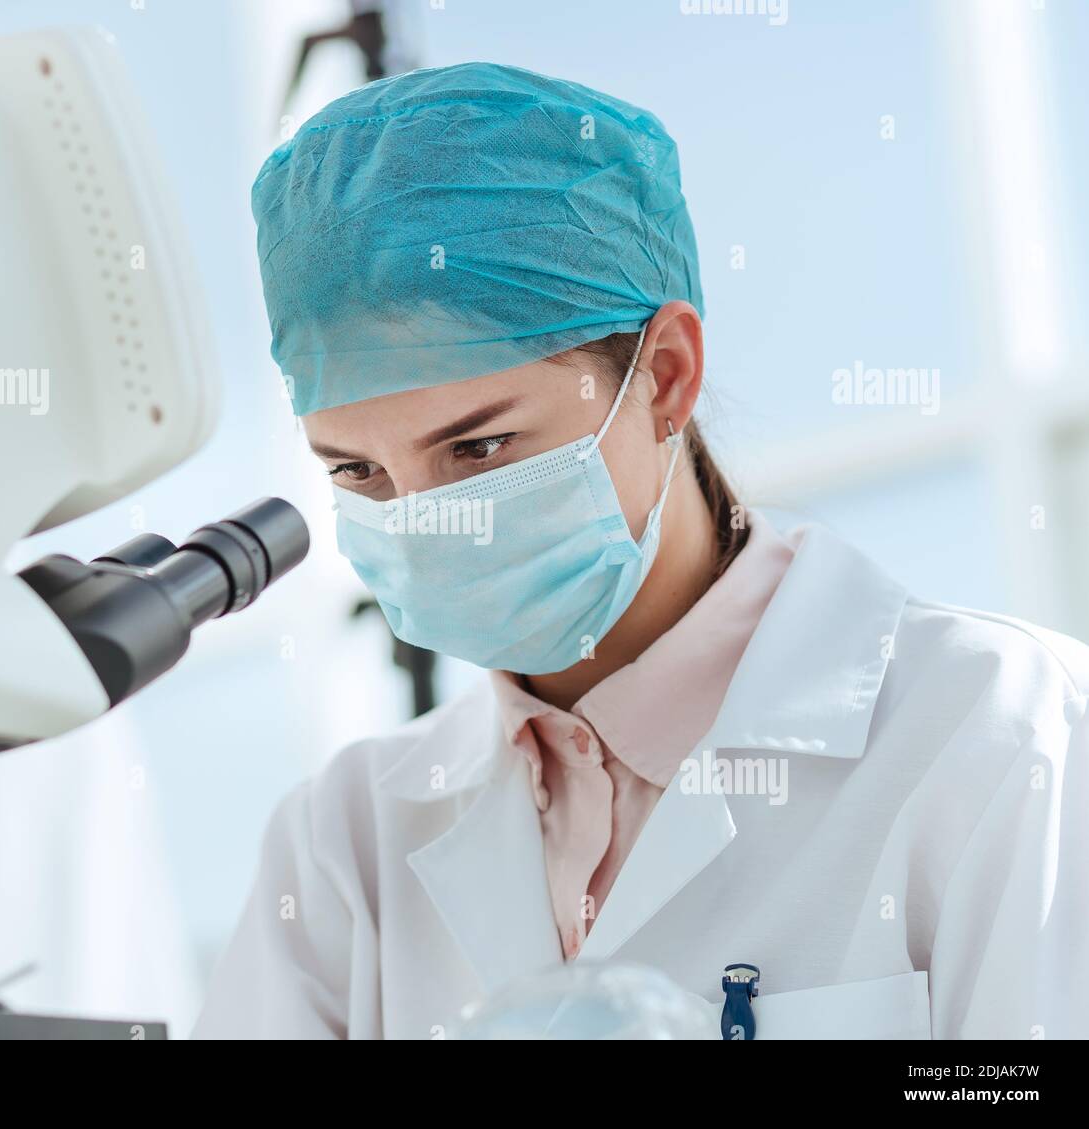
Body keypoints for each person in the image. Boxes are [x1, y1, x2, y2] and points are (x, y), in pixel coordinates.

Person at [193, 62, 1088, 1039]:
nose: (420, 519)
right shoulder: (343, 845)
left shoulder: (999, 735)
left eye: (479, 447)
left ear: (666, 376)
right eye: (358, 473)